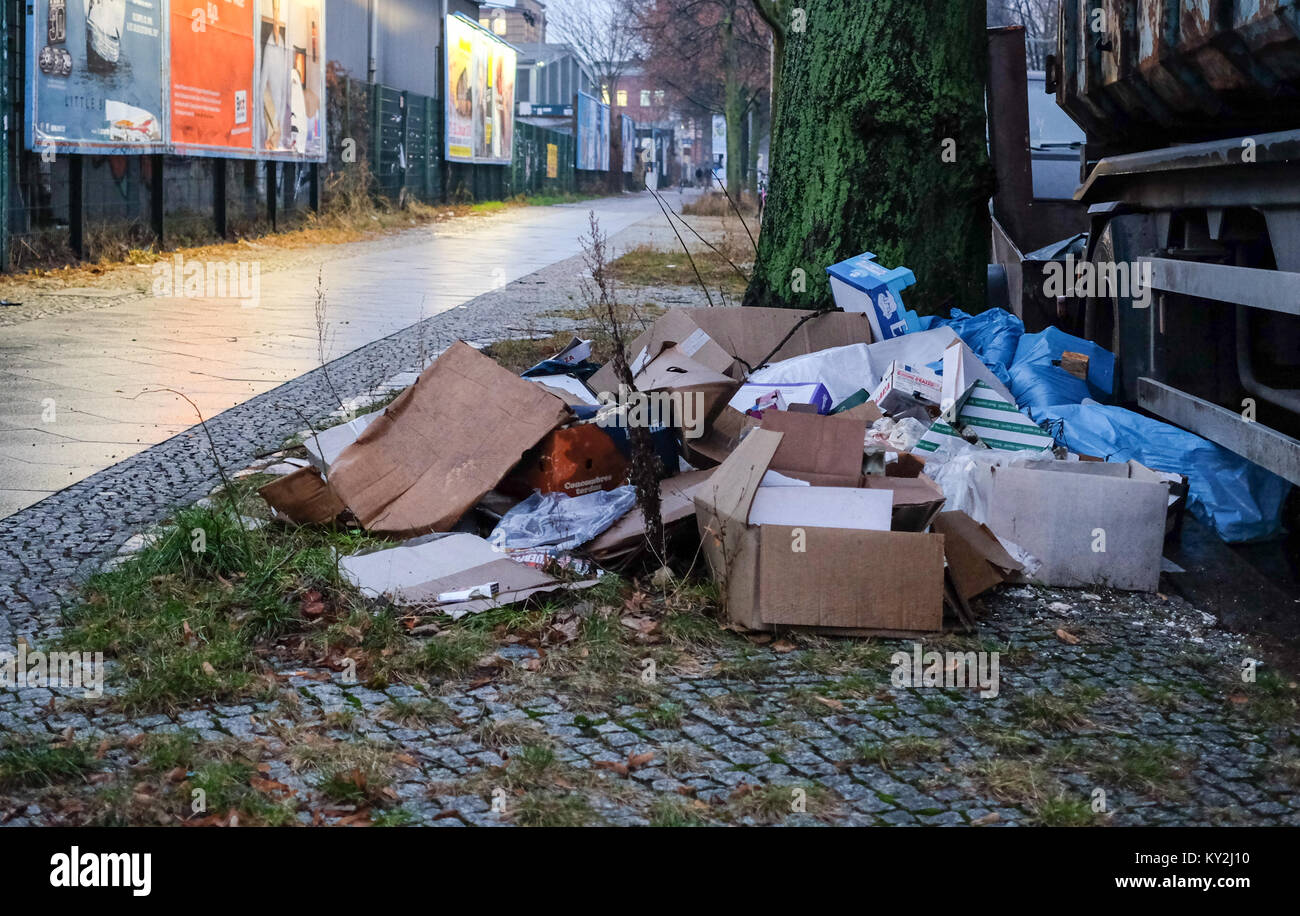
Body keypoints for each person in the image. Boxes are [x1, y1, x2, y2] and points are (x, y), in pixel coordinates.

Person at [259, 0, 291, 150]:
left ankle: (272, 135)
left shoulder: (278, 48)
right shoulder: (272, 49)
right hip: (272, 93)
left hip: (275, 94)